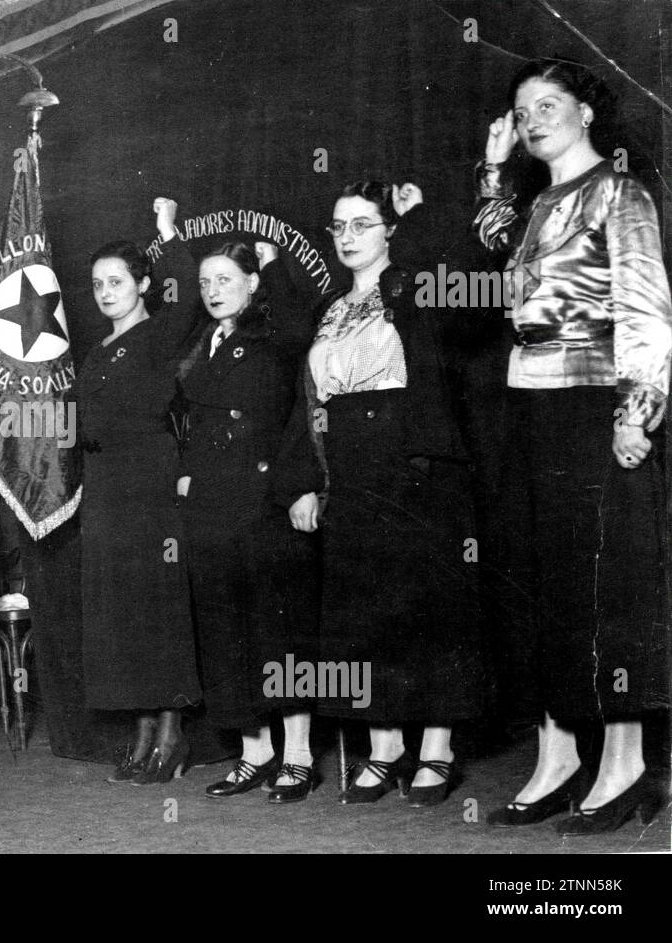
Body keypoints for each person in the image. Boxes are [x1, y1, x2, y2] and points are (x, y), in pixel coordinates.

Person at [475, 58, 671, 835]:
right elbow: (493, 240)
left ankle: (623, 769)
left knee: (604, 583)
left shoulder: (620, 193)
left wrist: (638, 409)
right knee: (538, 585)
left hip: (595, 402)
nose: (533, 119)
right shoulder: (533, 205)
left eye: (549, 104)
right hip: (527, 403)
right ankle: (556, 759)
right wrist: (493, 167)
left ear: (587, 112)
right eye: (523, 111)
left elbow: (646, 309)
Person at [276, 180, 484, 806]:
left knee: (427, 606)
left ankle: (438, 749)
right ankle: (385, 745)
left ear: (391, 230)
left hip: (413, 464)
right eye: (338, 226)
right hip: (351, 469)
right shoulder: (330, 309)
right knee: (364, 610)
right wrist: (304, 483)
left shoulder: (415, 288)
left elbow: (465, 295)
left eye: (362, 224)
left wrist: (420, 217)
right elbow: (307, 405)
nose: (346, 237)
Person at [175, 240, 321, 801]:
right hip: (212, 501)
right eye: (206, 281)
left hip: (263, 498)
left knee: (276, 627)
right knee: (225, 628)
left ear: (254, 283)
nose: (213, 290)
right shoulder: (202, 344)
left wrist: (301, 486)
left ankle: (300, 755)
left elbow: (300, 415)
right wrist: (188, 475)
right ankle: (255, 752)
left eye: (226, 279)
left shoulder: (277, 336)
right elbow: (193, 420)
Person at [78, 199, 202, 785]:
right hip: (103, 490)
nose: (106, 292)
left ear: (143, 284)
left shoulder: (160, 333)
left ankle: (172, 732)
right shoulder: (94, 353)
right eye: (98, 284)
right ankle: (143, 730)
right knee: (120, 613)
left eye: (117, 281)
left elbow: (187, 290)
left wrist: (166, 234)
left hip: (149, 484)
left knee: (157, 607)